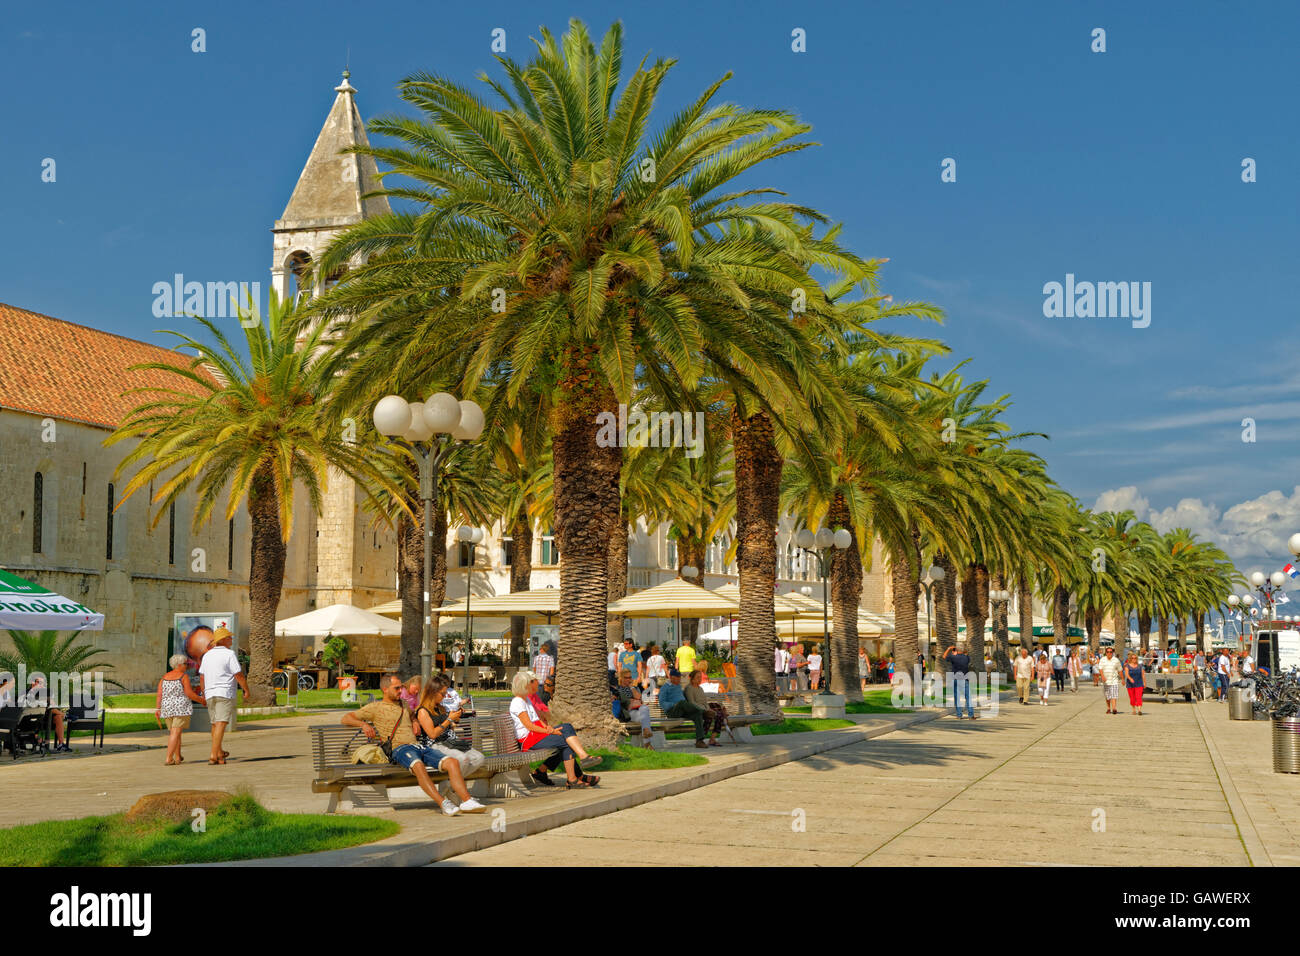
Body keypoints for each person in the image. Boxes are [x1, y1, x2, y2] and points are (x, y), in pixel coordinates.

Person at [342, 674, 486, 815]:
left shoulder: (403, 704)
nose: (401, 691)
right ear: (385, 689)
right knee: (418, 766)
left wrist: (415, 721)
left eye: (401, 687)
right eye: (397, 688)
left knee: (452, 762)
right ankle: (443, 803)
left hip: (417, 746)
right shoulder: (375, 707)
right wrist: (363, 725)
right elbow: (346, 718)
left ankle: (467, 801)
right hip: (399, 749)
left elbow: (412, 715)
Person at [508, 670, 601, 788]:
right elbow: (529, 726)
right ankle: (574, 778)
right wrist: (550, 731)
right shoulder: (518, 702)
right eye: (531, 682)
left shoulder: (526, 700)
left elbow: (537, 720)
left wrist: (547, 727)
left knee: (566, 727)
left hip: (536, 736)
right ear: (525, 685)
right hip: (528, 740)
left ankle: (583, 759)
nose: (536, 684)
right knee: (565, 742)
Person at [411, 675, 488, 805]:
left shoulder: (440, 708)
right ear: (433, 692)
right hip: (435, 744)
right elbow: (432, 734)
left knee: (479, 758)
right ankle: (461, 794)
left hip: (450, 741)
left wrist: (454, 720)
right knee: (463, 759)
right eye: (442, 694)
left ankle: (449, 785)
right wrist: (449, 720)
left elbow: (448, 725)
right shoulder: (422, 711)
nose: (444, 696)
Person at [196, 626, 249, 765]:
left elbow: (202, 677)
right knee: (221, 723)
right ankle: (213, 755)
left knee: (215, 724)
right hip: (224, 692)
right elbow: (238, 674)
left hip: (210, 693)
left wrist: (204, 692)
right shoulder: (229, 654)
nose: (231, 639)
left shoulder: (207, 655)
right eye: (229, 637)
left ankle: (219, 754)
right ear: (223, 640)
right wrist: (246, 689)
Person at [156, 653, 206, 765]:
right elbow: (189, 693)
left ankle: (178, 756)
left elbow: (159, 694)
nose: (187, 666)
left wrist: (158, 709)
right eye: (185, 664)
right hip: (180, 707)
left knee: (175, 732)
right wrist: (202, 700)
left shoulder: (164, 677)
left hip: (167, 708)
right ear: (179, 665)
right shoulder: (183, 677)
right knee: (175, 732)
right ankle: (169, 758)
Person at [658, 667, 710, 748]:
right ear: (671, 677)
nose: (679, 679)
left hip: (682, 710)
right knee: (682, 703)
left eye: (679, 677)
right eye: (677, 677)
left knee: (697, 714)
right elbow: (662, 702)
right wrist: (674, 704)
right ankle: (703, 711)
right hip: (672, 711)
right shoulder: (665, 687)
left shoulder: (678, 686)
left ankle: (699, 741)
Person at [613, 668, 653, 745]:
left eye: (630, 677)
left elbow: (640, 698)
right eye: (626, 677)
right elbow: (624, 702)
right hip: (628, 713)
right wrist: (632, 701)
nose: (628, 679)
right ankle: (647, 742)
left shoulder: (634, 688)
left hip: (638, 710)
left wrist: (631, 687)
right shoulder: (618, 689)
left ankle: (646, 732)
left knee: (644, 709)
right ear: (621, 678)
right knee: (645, 718)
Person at [684, 669, 726, 745]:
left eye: (700, 677)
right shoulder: (689, 688)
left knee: (719, 715)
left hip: (704, 709)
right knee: (710, 716)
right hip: (696, 711)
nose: (699, 679)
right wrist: (705, 710)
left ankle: (712, 739)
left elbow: (705, 702)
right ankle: (700, 739)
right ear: (692, 679)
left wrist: (708, 709)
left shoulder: (700, 688)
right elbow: (692, 703)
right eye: (697, 677)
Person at [943, 645, 977, 719]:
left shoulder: (953, 657)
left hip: (956, 680)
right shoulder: (966, 657)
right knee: (968, 697)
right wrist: (959, 652)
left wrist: (949, 648)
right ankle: (971, 715)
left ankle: (959, 715)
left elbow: (944, 656)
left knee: (957, 697)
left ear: (956, 650)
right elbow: (966, 653)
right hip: (965, 679)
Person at [1097, 647, 1124, 714]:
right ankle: (1108, 708)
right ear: (1106, 653)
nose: (1109, 653)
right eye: (1108, 652)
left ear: (1113, 653)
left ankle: (1114, 708)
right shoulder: (1102, 660)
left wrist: (1123, 679)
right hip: (1106, 681)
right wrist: (1102, 676)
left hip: (1114, 680)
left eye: (1111, 652)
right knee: (1107, 696)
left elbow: (1120, 670)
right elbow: (1100, 669)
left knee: (1114, 695)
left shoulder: (1116, 660)